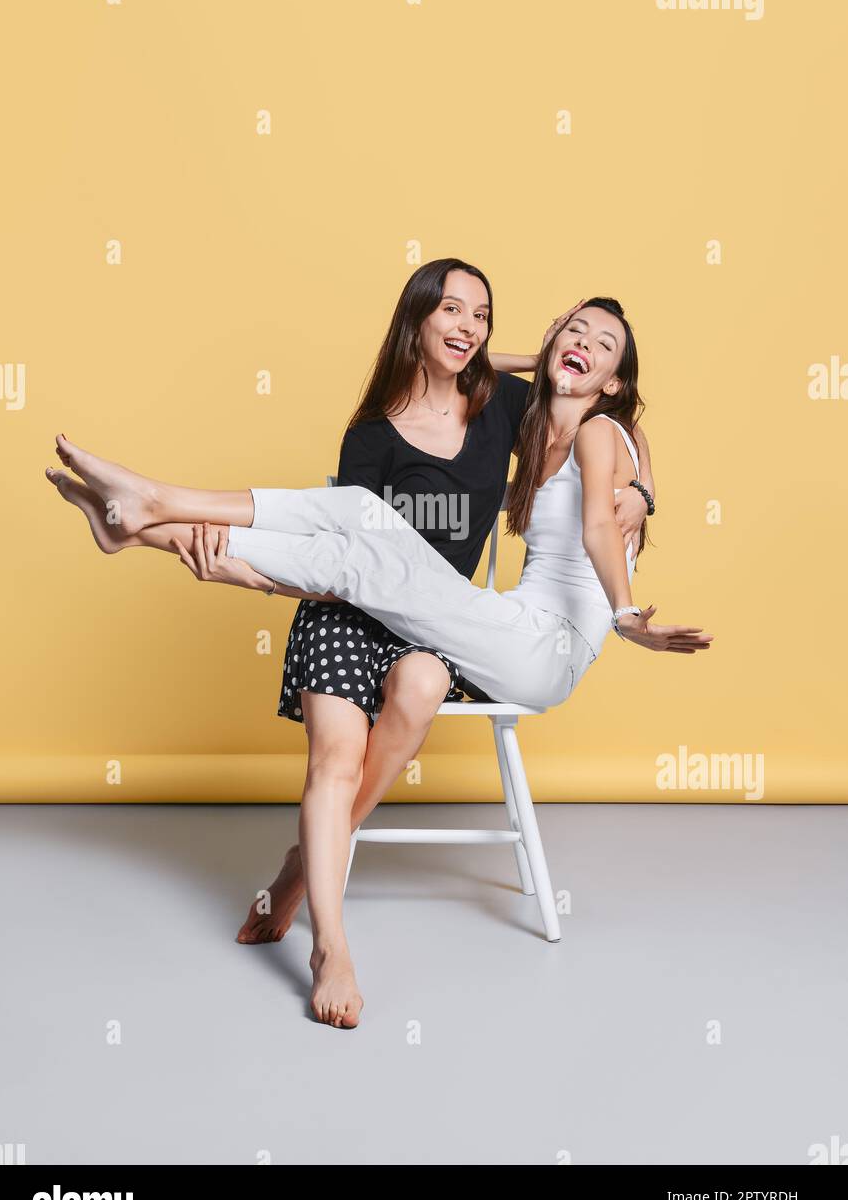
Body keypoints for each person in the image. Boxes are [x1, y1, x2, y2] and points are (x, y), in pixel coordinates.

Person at [47, 297, 710, 1028]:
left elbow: (596, 526)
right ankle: (148, 512)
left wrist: (625, 612)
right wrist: (595, 410)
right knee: (364, 518)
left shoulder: (595, 432)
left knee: (369, 541)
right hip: (510, 629)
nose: (581, 343)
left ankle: (154, 521)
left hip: (539, 647)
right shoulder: (539, 420)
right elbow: (508, 371)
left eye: (602, 344)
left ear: (615, 380)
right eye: (573, 329)